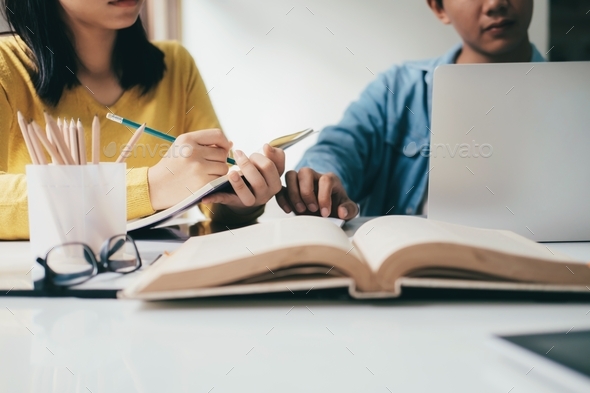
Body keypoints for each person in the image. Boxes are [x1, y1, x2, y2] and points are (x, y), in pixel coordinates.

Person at [0, 0, 284, 240]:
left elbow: (209, 197)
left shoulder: (175, 64)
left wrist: (241, 200)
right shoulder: (6, 69)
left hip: (165, 279)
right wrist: (150, 187)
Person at [276, 0, 544, 220]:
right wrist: (320, 180)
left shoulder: (581, 97)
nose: (496, 4)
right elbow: (338, 148)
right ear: (439, 8)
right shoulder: (397, 90)